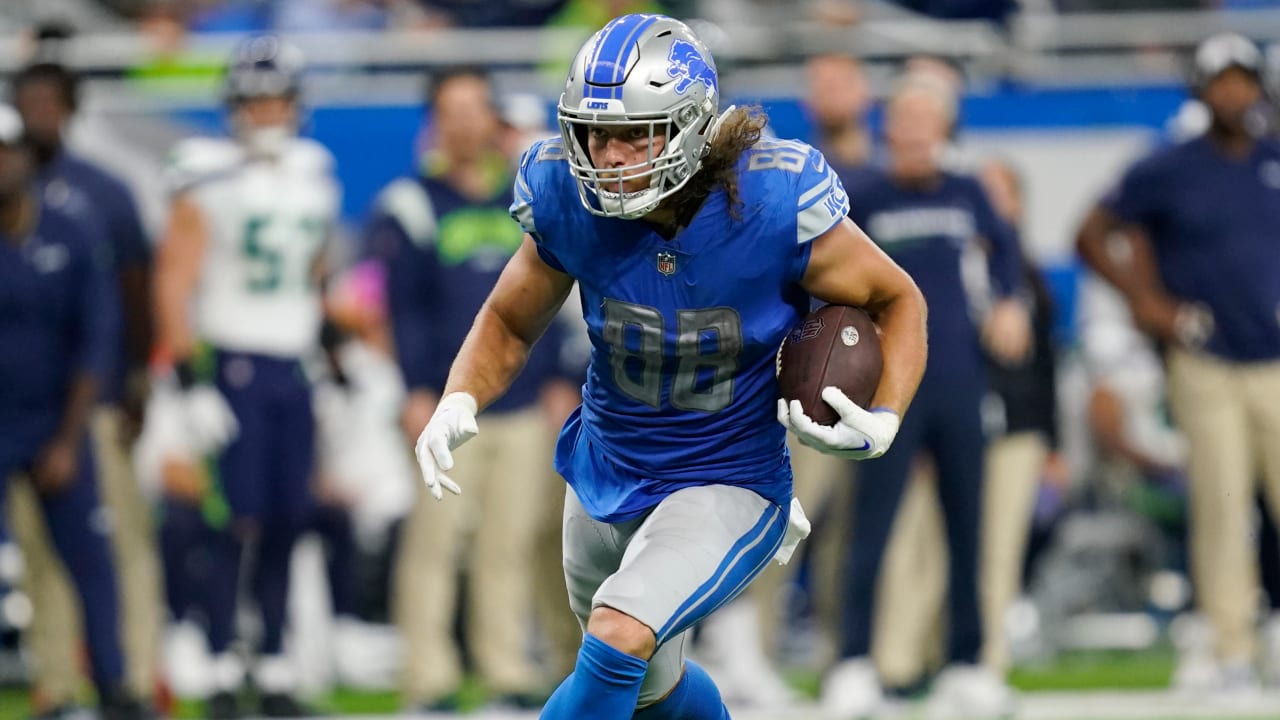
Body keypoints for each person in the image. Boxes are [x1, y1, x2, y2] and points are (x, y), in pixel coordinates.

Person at [411, 14, 928, 720]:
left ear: (689, 126)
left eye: (634, 134)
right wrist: (458, 397)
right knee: (651, 689)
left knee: (619, 636)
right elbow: (509, 319)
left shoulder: (772, 200)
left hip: (726, 475)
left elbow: (897, 298)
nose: (611, 155)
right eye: (596, 133)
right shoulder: (565, 193)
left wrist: (888, 413)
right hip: (603, 471)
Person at [1076, 31, 1280, 693]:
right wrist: (1151, 305)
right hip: (1208, 358)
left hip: (1273, 358)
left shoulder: (1271, 158)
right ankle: (1229, 649)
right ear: (1202, 87)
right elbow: (1092, 231)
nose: (1233, 91)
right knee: (1222, 508)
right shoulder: (1170, 166)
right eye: (1220, 80)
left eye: (1242, 78)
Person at [825, 71, 1029, 719]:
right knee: (872, 527)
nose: (913, 134)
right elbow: (826, 275)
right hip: (888, 383)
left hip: (960, 377)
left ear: (943, 131)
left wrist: (1011, 303)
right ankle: (853, 661)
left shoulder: (968, 190)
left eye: (925, 122)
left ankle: (967, 663)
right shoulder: (865, 196)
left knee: (969, 525)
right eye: (903, 121)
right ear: (887, 129)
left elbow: (1007, 252)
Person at [153, 35, 340, 718]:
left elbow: (317, 275)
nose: (266, 112)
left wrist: (323, 356)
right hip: (231, 361)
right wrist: (190, 380)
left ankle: (279, 662)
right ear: (234, 105)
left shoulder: (315, 171)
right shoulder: (205, 174)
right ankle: (222, 655)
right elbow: (173, 281)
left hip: (292, 362)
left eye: (276, 98)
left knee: (291, 516)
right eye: (254, 99)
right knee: (231, 520)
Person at [369, 66, 562, 710]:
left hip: (526, 399)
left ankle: (503, 667)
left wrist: (560, 375)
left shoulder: (527, 199)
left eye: (475, 107)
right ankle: (428, 675)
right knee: (435, 542)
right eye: (450, 110)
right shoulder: (411, 202)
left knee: (508, 542)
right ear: (434, 122)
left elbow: (556, 296)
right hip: (448, 403)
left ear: (492, 117)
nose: (464, 122)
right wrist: (416, 390)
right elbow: (399, 312)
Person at [6, 57, 162, 716]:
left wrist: (135, 383)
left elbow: (128, 296)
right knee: (38, 563)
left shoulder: (98, 195)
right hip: (19, 409)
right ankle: (56, 686)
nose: (42, 113)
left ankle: (130, 680)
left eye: (51, 101)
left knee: (109, 548)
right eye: (29, 102)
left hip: (80, 405)